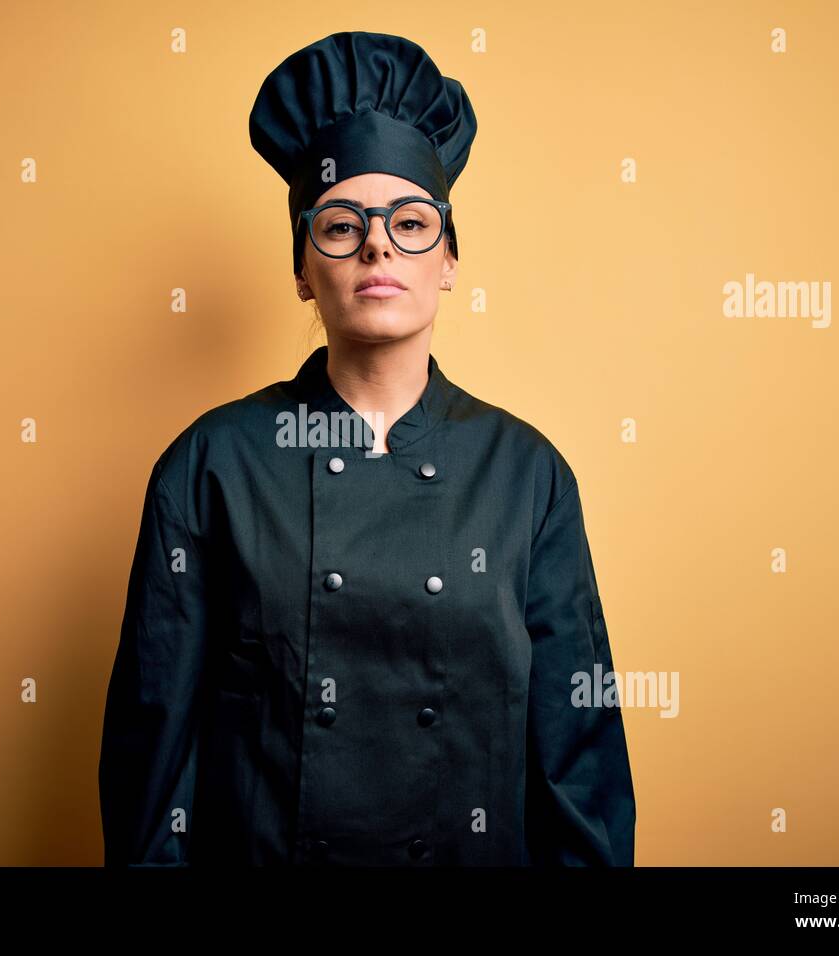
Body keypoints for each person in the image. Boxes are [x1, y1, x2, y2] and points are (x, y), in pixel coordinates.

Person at [99, 30, 636, 866]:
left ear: (451, 261)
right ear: (303, 269)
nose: (379, 245)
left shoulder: (528, 474)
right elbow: (154, 743)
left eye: (412, 222)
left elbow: (579, 746)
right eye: (342, 225)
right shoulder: (209, 467)